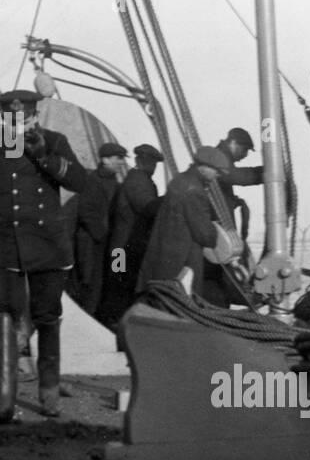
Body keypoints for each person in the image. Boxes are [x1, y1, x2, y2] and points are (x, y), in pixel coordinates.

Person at [0, 90, 87, 422]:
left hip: (47, 244)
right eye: (11, 119)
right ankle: (5, 397)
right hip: (6, 244)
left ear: (34, 116)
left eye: (23, 119)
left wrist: (45, 158)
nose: (17, 125)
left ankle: (49, 392)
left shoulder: (54, 141)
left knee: (47, 315)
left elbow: (80, 181)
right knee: (4, 313)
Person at [139, 145, 231, 296]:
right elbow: (205, 235)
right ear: (203, 167)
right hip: (182, 261)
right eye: (217, 171)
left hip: (166, 255)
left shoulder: (180, 180)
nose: (218, 176)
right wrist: (215, 231)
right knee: (180, 305)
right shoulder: (194, 191)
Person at [100, 143, 163, 323]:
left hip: (123, 246)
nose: (152, 166)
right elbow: (147, 207)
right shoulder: (138, 180)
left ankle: (114, 321)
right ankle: (112, 322)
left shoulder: (140, 179)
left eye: (153, 163)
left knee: (120, 283)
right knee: (117, 284)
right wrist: (170, 199)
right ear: (139, 161)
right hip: (122, 248)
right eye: (149, 162)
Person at [73, 142, 125, 315]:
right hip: (93, 242)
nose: (122, 162)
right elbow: (85, 212)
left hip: (110, 243)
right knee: (90, 283)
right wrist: (103, 235)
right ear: (105, 159)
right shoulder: (93, 181)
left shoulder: (115, 183)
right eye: (118, 158)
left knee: (112, 278)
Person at [215, 127, 264, 241]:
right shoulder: (218, 157)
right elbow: (233, 176)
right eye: (244, 149)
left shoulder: (221, 156)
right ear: (233, 143)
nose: (245, 155)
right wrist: (266, 173)